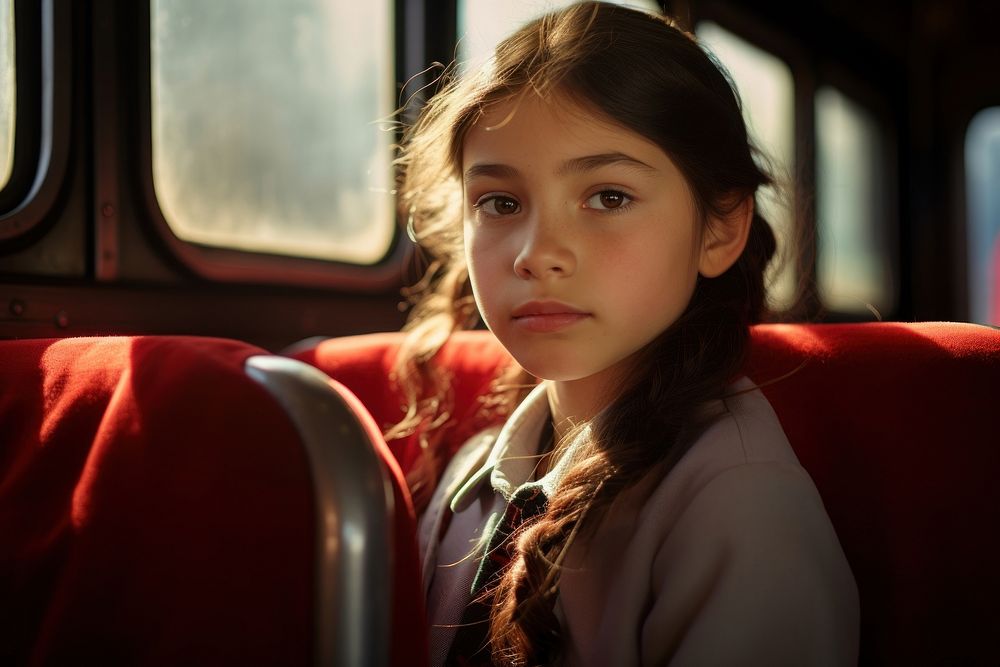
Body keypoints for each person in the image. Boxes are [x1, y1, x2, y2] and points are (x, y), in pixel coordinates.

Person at [391, 2, 859, 665]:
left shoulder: (741, 504)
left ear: (721, 228)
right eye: (500, 203)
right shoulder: (469, 472)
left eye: (608, 197)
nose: (536, 252)